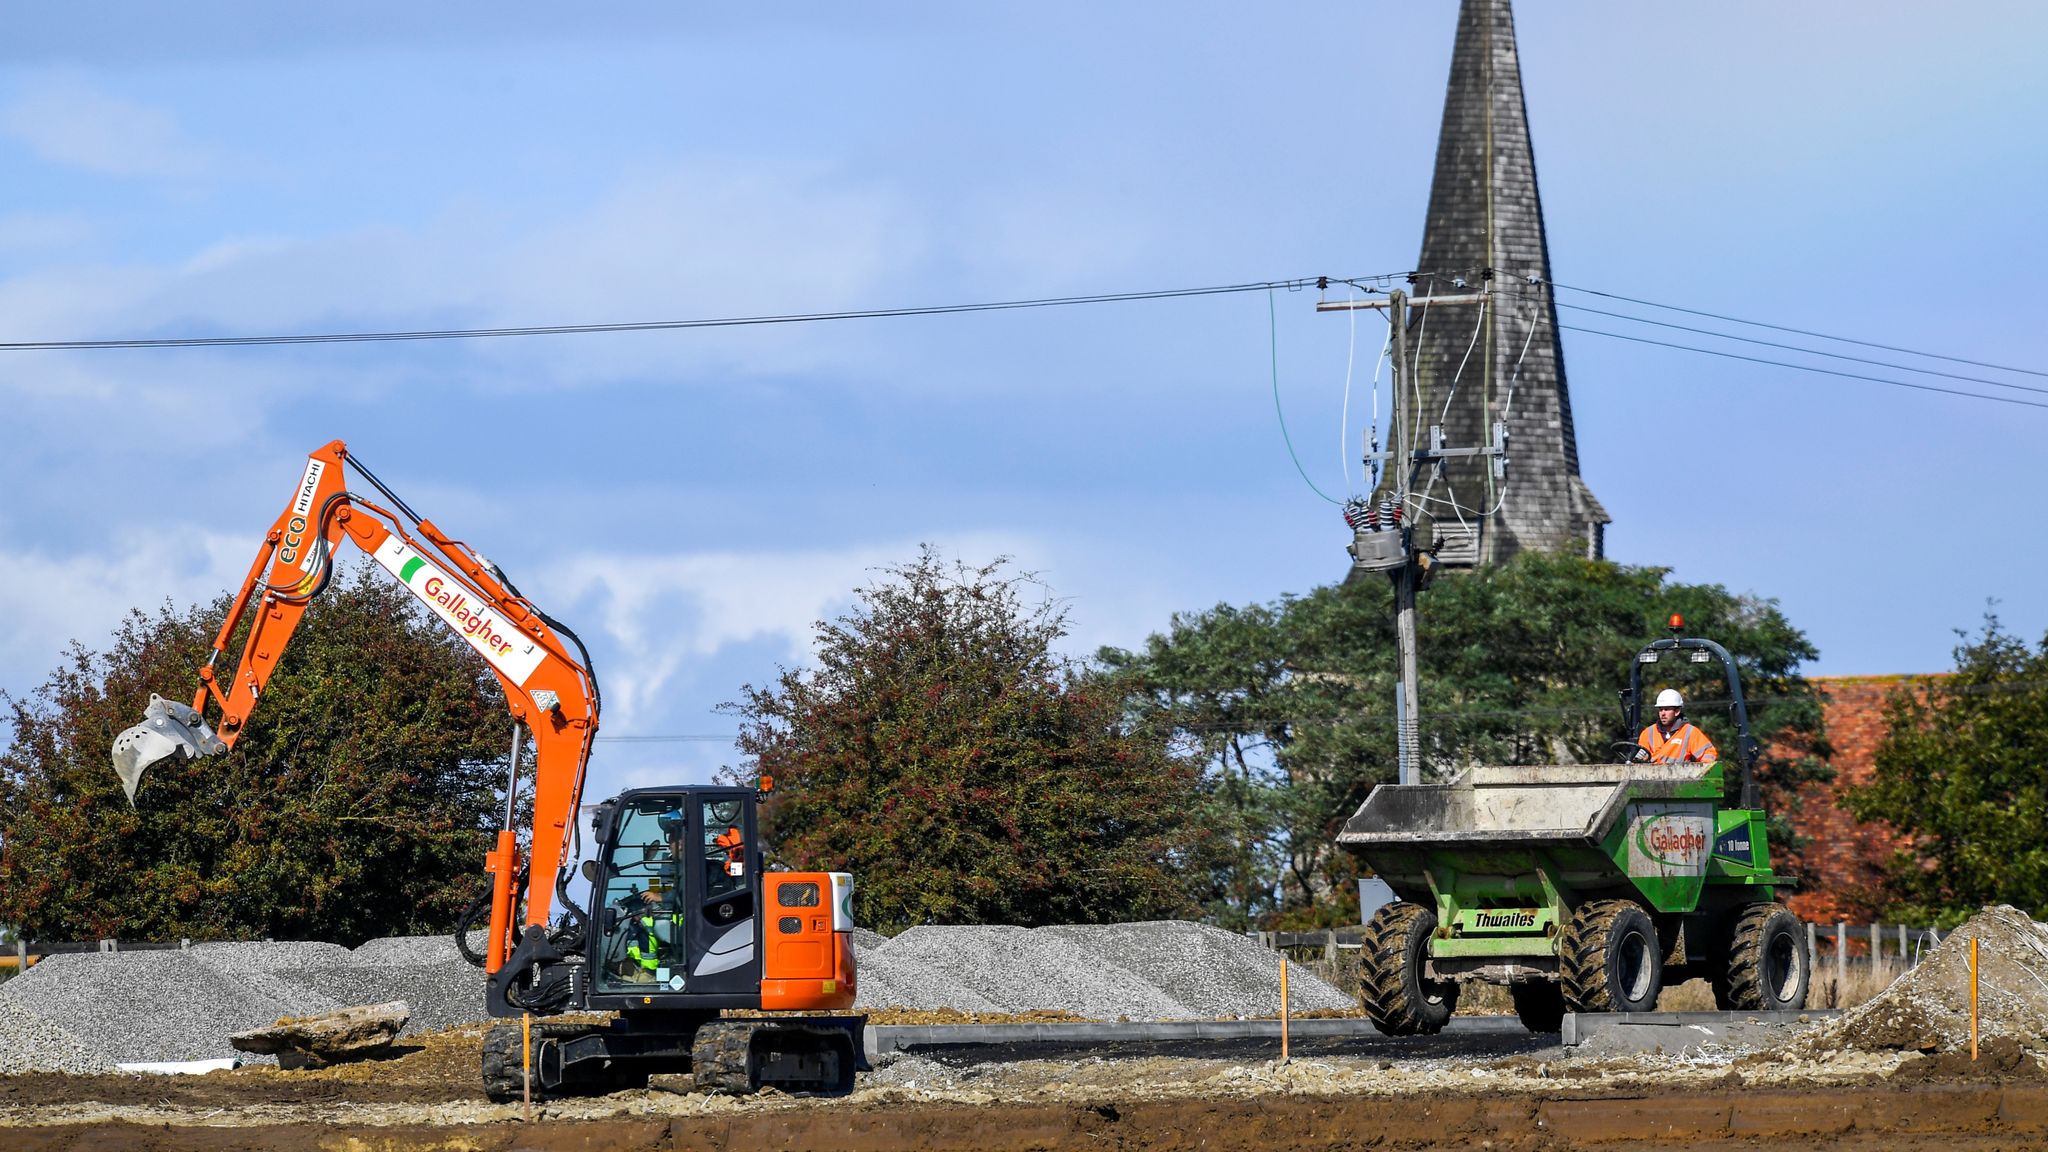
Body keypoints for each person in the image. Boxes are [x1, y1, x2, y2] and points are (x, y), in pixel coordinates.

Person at [1637, 688, 1717, 764]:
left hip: (1681, 777)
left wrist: (1697, 772)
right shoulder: (1648, 733)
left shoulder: (1690, 732)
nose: (1663, 713)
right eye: (1661, 709)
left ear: (1677, 711)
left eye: (1667, 709)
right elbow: (1639, 763)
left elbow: (1708, 755)